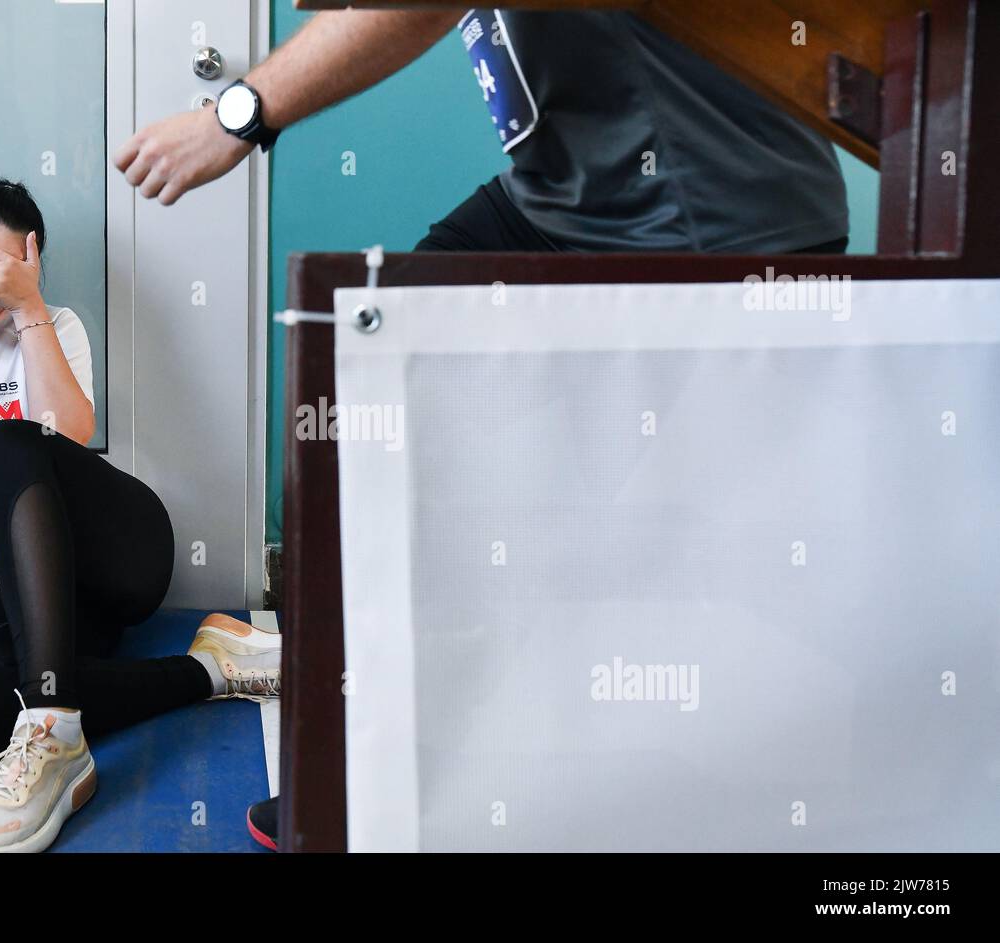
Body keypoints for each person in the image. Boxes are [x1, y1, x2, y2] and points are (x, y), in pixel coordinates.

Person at [114, 7, 854, 849]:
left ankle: (481, 768)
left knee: (617, 556)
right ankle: (374, 752)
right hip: (563, 199)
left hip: (710, 217)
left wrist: (236, 113)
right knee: (373, 390)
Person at [0, 180, 281, 853]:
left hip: (113, 556)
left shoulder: (51, 324)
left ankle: (51, 734)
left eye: (4, 272)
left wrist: (30, 306)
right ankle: (212, 669)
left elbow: (70, 430)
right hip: (24, 609)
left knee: (8, 441)